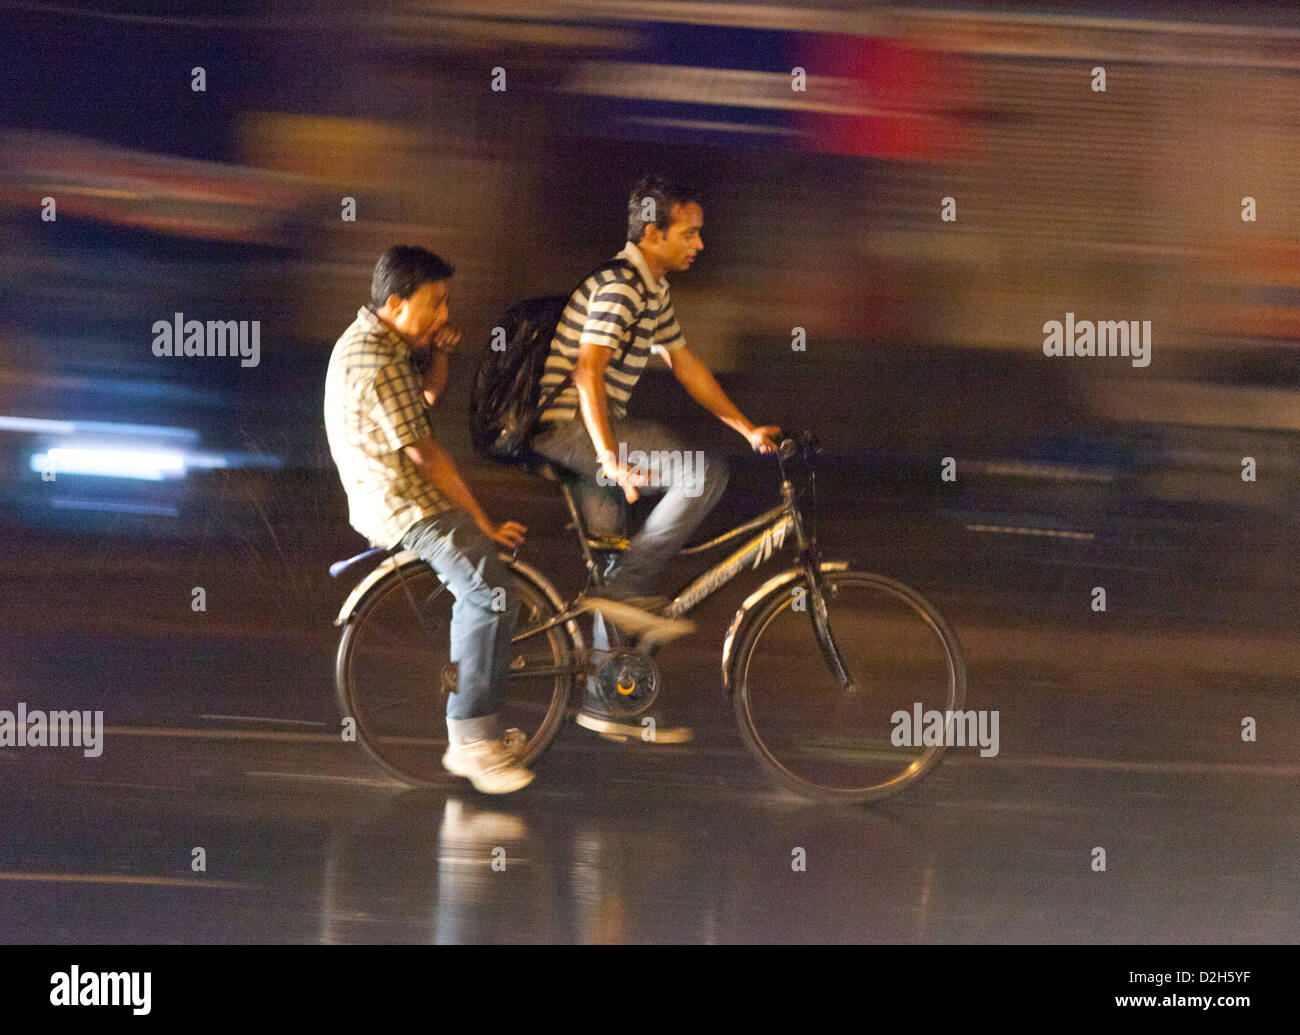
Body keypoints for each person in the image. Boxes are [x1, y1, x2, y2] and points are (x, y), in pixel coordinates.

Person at [530, 175, 781, 742]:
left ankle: (604, 700)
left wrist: (744, 428)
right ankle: (626, 593)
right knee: (701, 474)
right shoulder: (621, 286)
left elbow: (686, 365)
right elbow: (587, 370)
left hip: (582, 432)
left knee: (612, 563)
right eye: (689, 233)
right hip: (571, 431)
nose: (699, 245)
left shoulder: (653, 290)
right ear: (653, 232)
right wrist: (610, 458)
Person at [324, 246, 533, 794]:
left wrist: (436, 353)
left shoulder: (380, 343)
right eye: (435, 304)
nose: (444, 315)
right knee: (488, 593)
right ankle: (468, 740)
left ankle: (483, 726)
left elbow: (424, 399)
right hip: (402, 502)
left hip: (396, 493)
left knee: (494, 588)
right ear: (396, 302)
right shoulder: (376, 358)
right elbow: (424, 452)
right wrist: (480, 519)